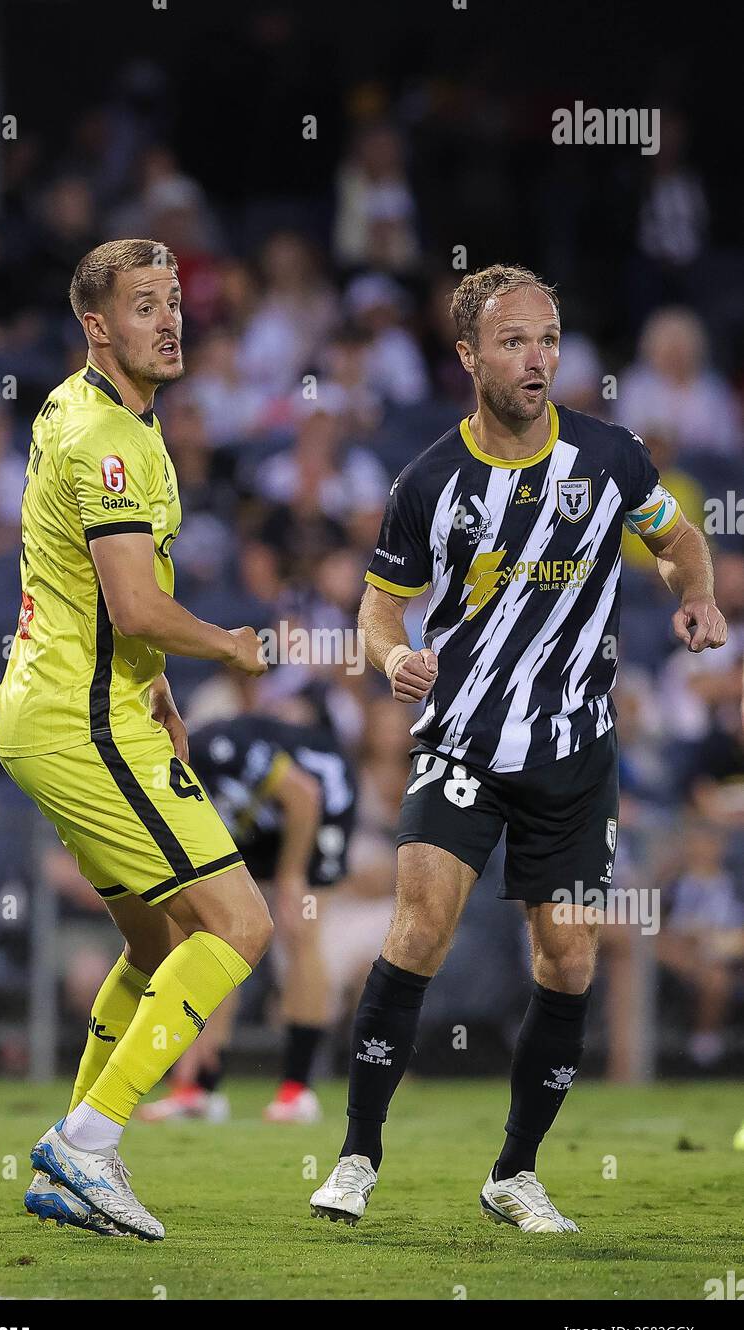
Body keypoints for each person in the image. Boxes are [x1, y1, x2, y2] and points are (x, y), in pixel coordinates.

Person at [310, 263, 727, 1234]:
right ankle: (357, 1155)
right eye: (511, 341)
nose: (535, 356)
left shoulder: (611, 458)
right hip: (459, 739)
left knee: (568, 955)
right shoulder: (428, 483)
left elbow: (672, 539)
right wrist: (390, 659)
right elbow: (378, 611)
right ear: (467, 356)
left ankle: (513, 1172)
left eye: (546, 338)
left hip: (574, 751)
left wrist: (693, 593)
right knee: (416, 928)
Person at [0, 239, 272, 1242]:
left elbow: (98, 606)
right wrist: (227, 646)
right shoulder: (108, 441)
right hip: (79, 718)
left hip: (72, 706)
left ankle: (74, 1150)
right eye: (144, 305)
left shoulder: (87, 413)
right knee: (237, 926)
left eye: (175, 302)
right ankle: (89, 1144)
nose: (170, 319)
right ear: (97, 328)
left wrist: (157, 696)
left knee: (155, 942)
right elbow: (137, 605)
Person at [138, 690, 357, 1124]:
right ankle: (201, 1087)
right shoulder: (143, 779)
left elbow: (303, 795)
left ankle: (298, 1089)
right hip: (254, 821)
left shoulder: (213, 747)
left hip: (315, 805)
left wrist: (293, 877)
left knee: (301, 931)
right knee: (216, 937)